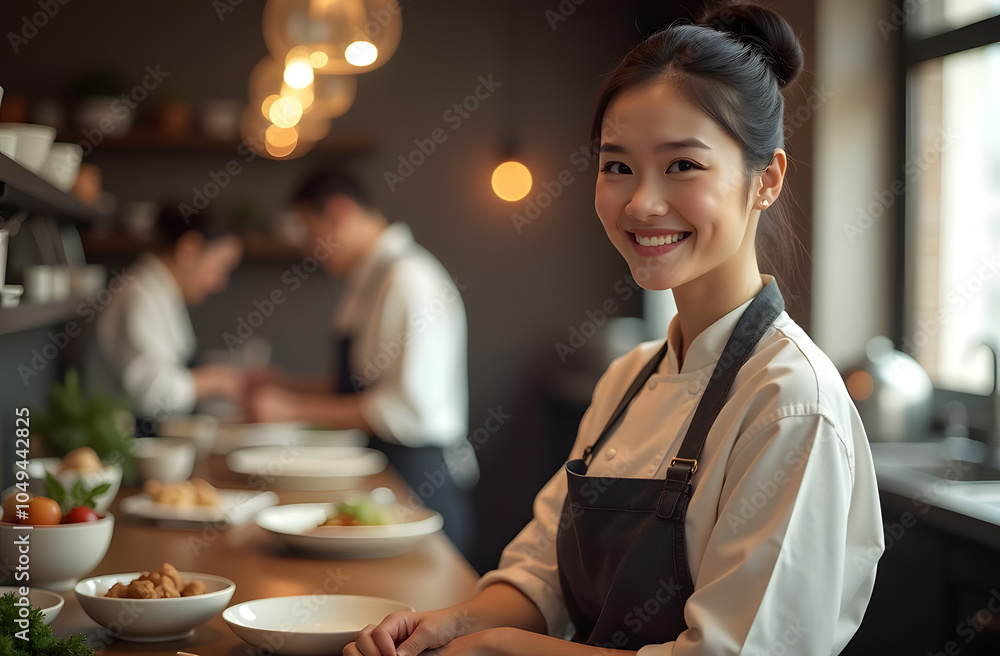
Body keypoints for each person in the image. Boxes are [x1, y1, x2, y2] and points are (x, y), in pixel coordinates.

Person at [345, 4, 884, 655]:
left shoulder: (790, 405)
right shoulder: (629, 378)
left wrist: (499, 649)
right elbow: (542, 572)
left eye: (683, 165)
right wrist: (455, 622)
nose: (641, 202)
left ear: (765, 180)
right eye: (617, 165)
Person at [246, 168, 476, 555]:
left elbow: (404, 408)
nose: (307, 246)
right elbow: (356, 383)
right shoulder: (370, 279)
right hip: (383, 473)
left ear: (338, 213)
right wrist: (284, 384)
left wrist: (293, 409)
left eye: (308, 229)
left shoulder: (409, 279)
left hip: (418, 479)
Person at [85, 204, 245, 435]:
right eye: (221, 266)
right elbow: (152, 395)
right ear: (189, 249)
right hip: (124, 442)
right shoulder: (138, 296)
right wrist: (212, 381)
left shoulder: (164, 293)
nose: (220, 282)